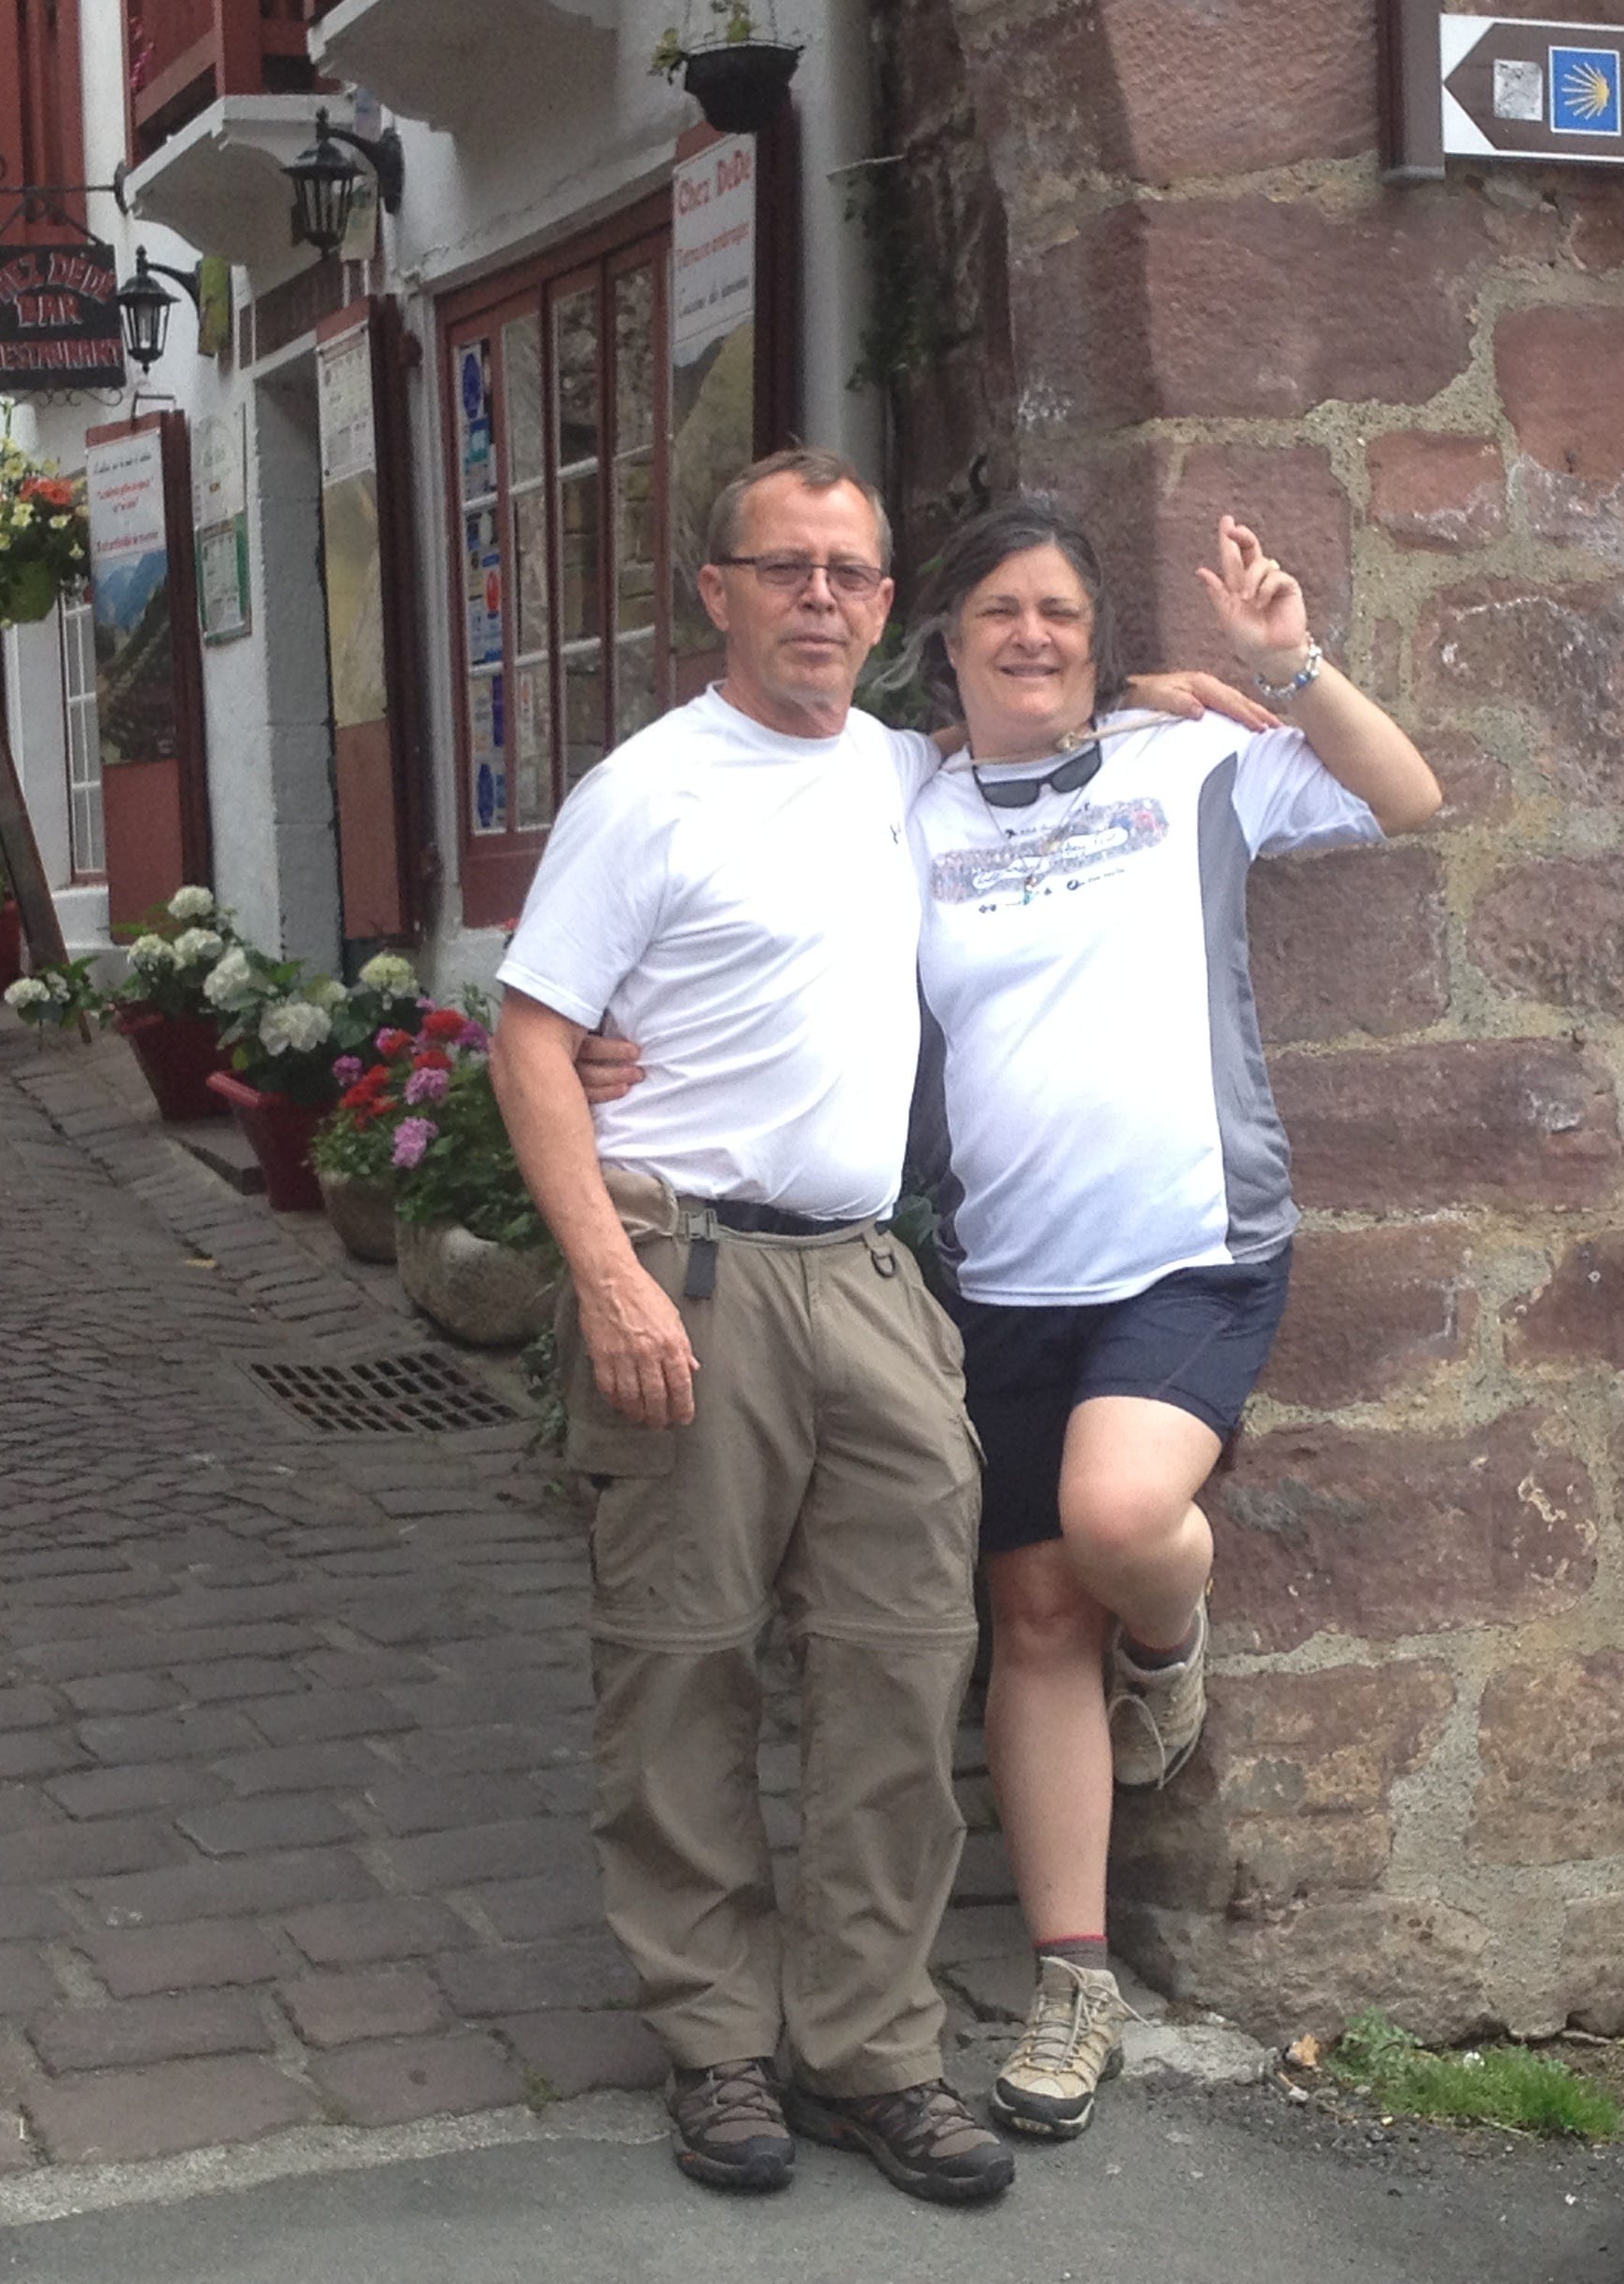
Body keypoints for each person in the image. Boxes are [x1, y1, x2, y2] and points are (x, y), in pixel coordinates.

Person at [492, 450, 1256, 2207]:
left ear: (885, 607)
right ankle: (716, 2045)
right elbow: (538, 1039)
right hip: (690, 1263)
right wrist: (606, 1271)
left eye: (849, 570)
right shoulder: (649, 792)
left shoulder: (908, 780)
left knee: (904, 1662)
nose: (819, 597)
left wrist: (1144, 695)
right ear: (720, 593)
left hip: (867, 1272)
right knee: (684, 1657)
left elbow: (1035, 725)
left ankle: (868, 2048)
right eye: (785, 567)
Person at [895, 504, 1440, 2141]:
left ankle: (1175, 1635)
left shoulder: (1185, 765)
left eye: (1061, 610)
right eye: (1000, 611)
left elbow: (1404, 796)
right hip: (1004, 1276)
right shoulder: (902, 806)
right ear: (949, 642)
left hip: (1191, 1248)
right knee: (1034, 1620)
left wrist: (1291, 663)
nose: (1031, 636)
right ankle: (1073, 1980)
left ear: (1099, 634)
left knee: (1119, 1519)